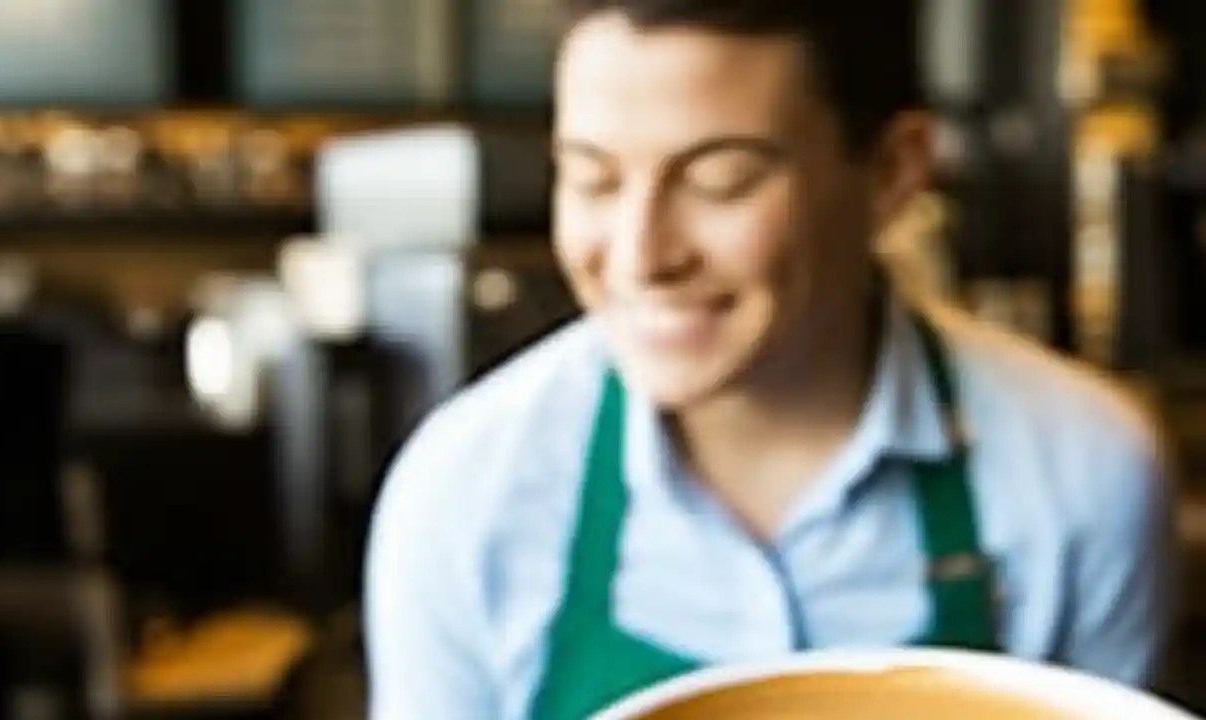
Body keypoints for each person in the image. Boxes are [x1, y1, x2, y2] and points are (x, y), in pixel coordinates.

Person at [365, 1, 1177, 718]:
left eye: (720, 180)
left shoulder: (1083, 474)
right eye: (593, 179)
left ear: (893, 171)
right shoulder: (465, 491)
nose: (641, 255)